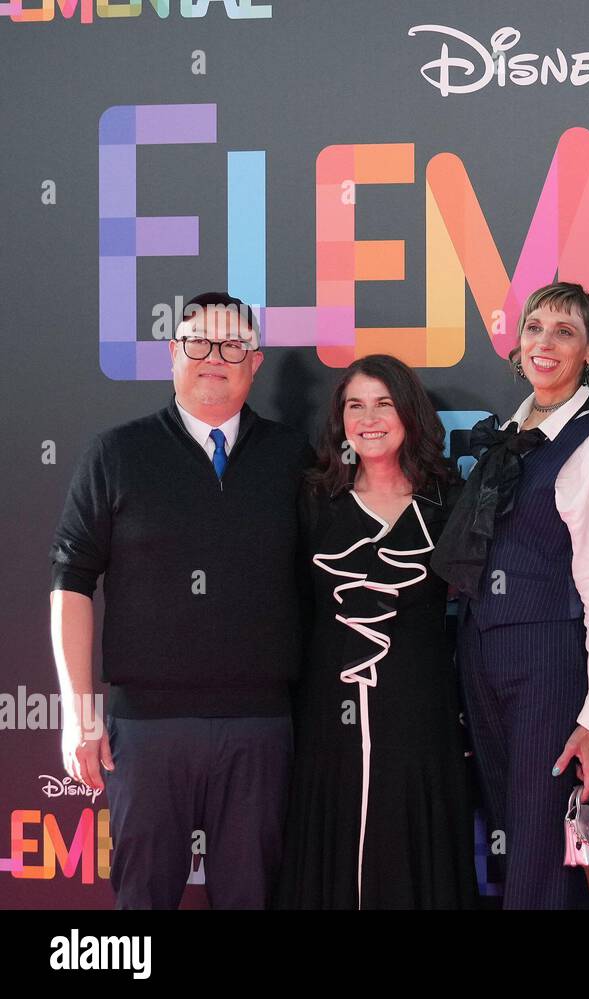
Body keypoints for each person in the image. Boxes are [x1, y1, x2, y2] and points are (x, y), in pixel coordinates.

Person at [49, 292, 312, 909]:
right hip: (146, 730)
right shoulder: (116, 453)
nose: (213, 357)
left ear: (255, 363)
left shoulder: (293, 459)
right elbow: (72, 582)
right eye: (198, 342)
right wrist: (79, 713)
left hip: (261, 727)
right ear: (174, 353)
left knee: (249, 897)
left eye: (231, 345)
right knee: (140, 904)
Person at [432, 282, 589, 909]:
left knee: (546, 856)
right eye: (535, 327)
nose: (544, 343)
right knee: (519, 843)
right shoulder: (507, 434)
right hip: (481, 659)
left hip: (549, 665)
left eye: (564, 331)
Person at [276, 354, 477, 909]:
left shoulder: (448, 504)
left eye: (383, 404)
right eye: (355, 405)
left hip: (420, 715)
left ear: (408, 413)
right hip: (327, 716)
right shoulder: (314, 501)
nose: (369, 418)